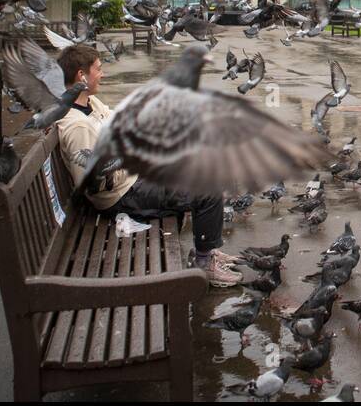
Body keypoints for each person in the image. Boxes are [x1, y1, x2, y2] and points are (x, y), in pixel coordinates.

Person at [53, 45, 241, 286]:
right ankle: (205, 261)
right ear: (82, 76)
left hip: (131, 182)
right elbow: (95, 184)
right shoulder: (78, 126)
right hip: (121, 197)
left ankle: (208, 250)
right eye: (99, 69)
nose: (103, 74)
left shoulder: (90, 104)